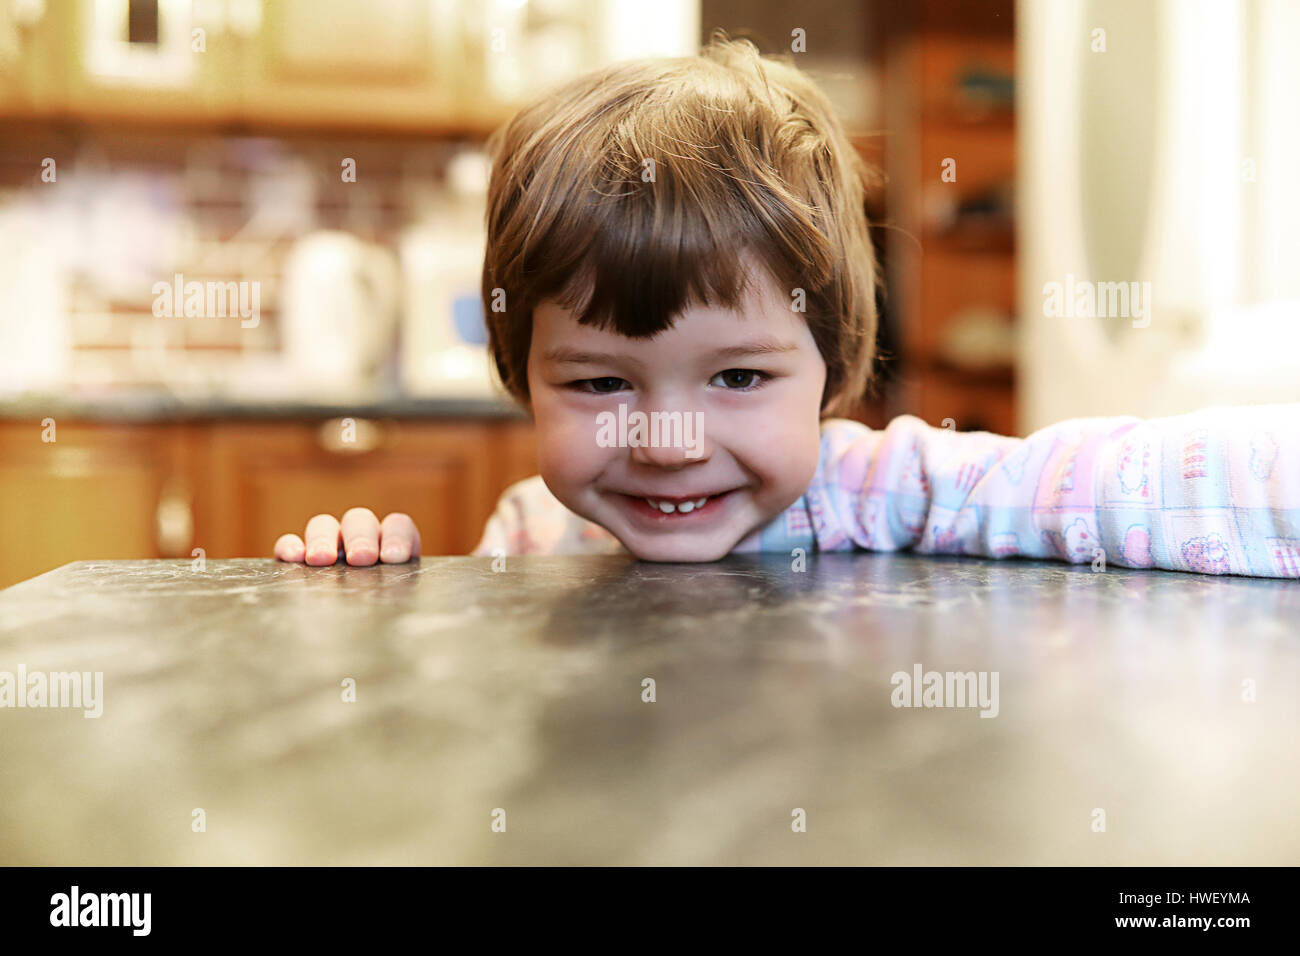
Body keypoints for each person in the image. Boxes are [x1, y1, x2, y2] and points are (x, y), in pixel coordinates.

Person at [274, 37, 1299, 578]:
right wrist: (377, 582)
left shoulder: (883, 488)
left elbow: (1112, 483)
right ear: (517, 371)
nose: (672, 442)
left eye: (736, 376)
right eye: (597, 381)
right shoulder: (529, 533)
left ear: (834, 362)